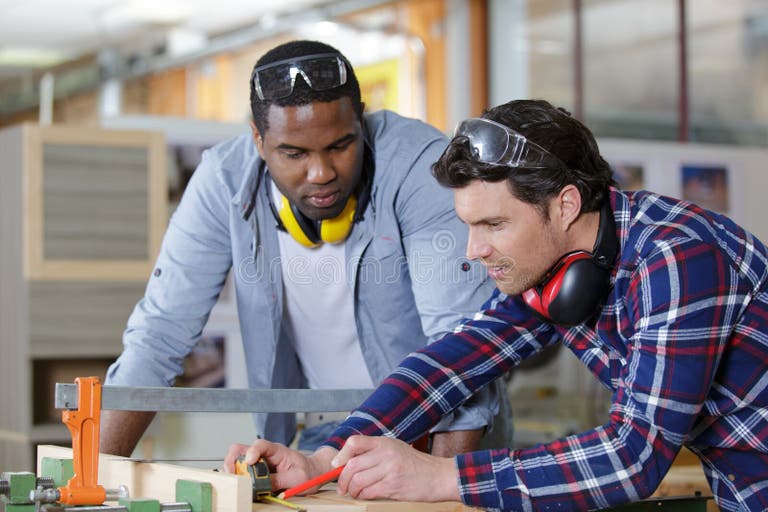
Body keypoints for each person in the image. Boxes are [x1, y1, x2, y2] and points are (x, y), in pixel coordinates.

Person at [226, 99, 768, 512]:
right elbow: (451, 361)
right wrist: (329, 457)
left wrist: (445, 478)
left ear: (566, 205)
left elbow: (634, 457)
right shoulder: (556, 262)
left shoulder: (677, 259)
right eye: (469, 224)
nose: (474, 249)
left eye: (493, 224)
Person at [99, 40, 507, 458]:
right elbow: (160, 334)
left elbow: (460, 344)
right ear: (258, 140)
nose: (321, 172)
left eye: (340, 146)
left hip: (436, 434)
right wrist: (92, 483)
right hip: (324, 437)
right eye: (294, 153)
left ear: (360, 121)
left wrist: (441, 490)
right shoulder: (223, 180)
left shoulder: (418, 164)